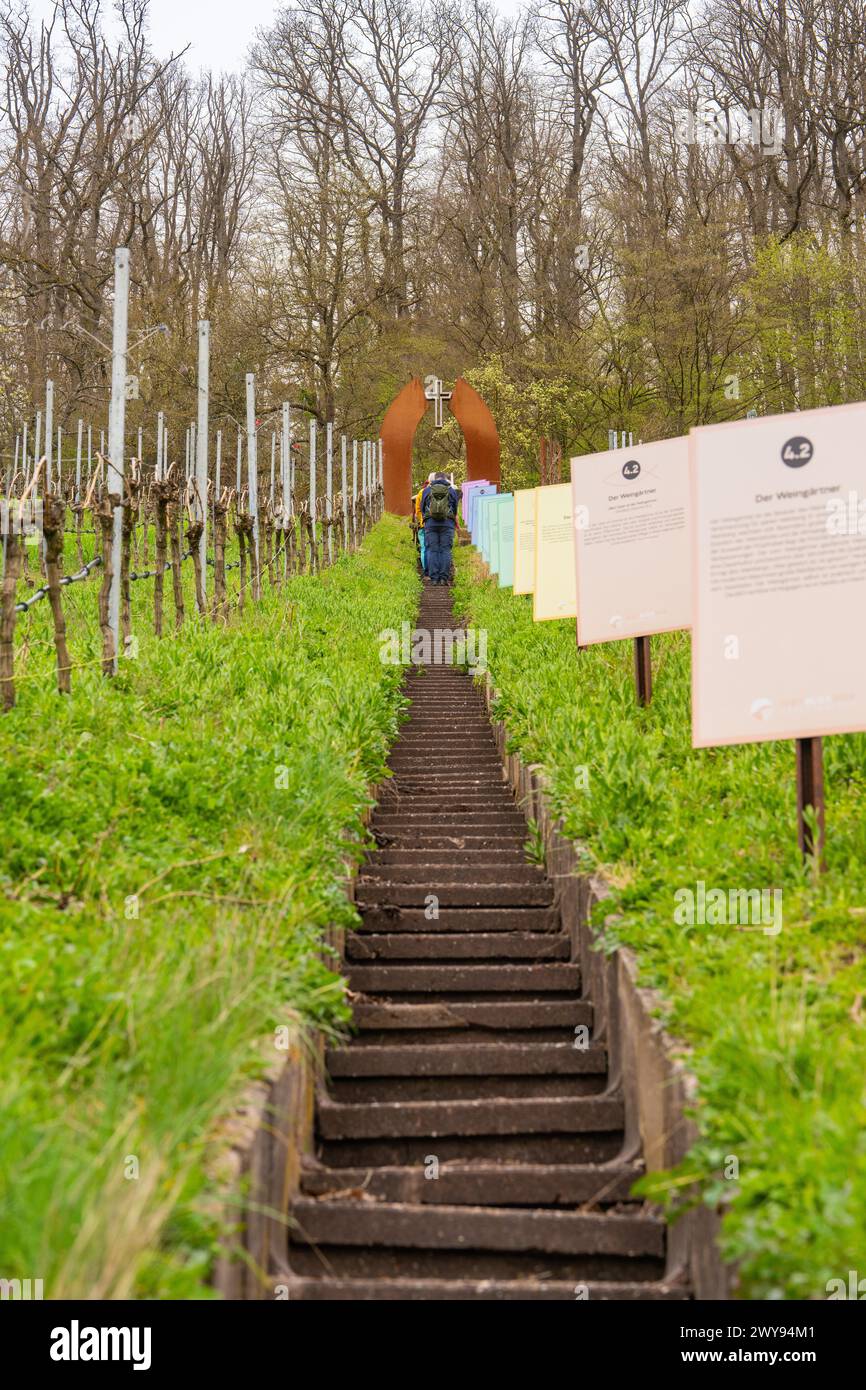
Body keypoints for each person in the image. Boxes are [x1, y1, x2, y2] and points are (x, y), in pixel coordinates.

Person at [421, 471, 460, 585]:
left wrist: (428, 518)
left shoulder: (427, 490)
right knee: (445, 550)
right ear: (446, 479)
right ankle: (443, 578)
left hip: (430, 524)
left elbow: (422, 507)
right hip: (447, 524)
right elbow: (455, 508)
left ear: (434, 479)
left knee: (432, 550)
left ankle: (433, 578)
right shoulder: (451, 490)